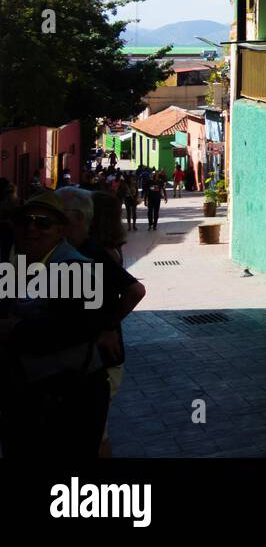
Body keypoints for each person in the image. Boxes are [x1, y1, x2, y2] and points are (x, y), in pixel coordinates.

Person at [0, 192, 110, 459]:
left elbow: (73, 329)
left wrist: (13, 329)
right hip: (31, 396)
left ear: (61, 230)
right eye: (25, 221)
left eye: (43, 223)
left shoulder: (75, 267)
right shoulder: (22, 265)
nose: (32, 228)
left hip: (69, 398)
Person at [62, 189, 145, 458]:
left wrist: (107, 326)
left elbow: (135, 290)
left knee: (94, 435)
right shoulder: (95, 250)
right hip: (94, 357)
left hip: (102, 359)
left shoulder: (94, 253)